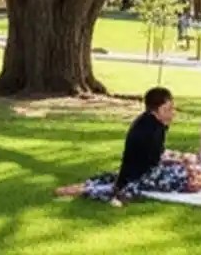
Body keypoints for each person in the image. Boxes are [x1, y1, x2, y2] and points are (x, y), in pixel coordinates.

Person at [55, 87, 188, 204]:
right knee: (184, 176)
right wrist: (177, 160)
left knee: (185, 171)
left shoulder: (151, 122)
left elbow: (156, 152)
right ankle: (86, 190)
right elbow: (155, 159)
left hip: (133, 171)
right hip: (139, 175)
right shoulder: (152, 127)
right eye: (168, 109)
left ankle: (86, 188)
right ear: (157, 110)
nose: (172, 113)